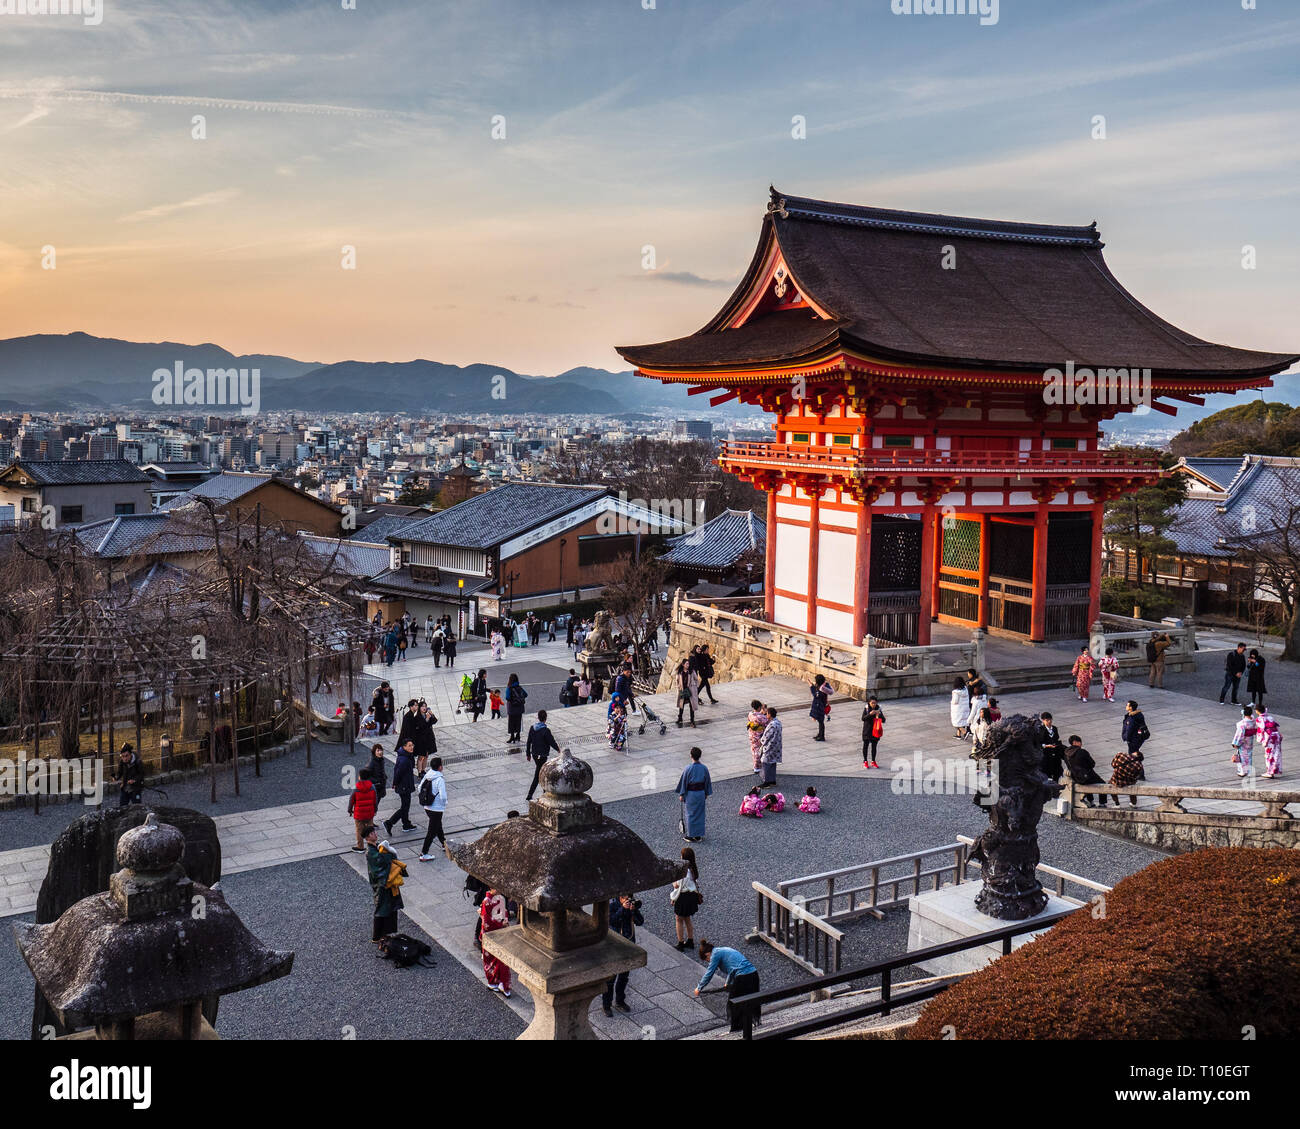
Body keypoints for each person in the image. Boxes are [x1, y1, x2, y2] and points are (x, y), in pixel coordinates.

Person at [694, 940, 760, 1032]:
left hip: (744, 976)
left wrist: (699, 987)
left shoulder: (715, 954)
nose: (708, 962)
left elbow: (710, 972)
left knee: (733, 1003)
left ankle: (737, 1028)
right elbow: (733, 968)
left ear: (708, 954)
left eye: (706, 959)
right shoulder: (722, 950)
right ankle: (751, 1023)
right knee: (748, 1000)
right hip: (753, 974)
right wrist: (728, 983)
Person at [601, 895, 644, 1016]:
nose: (627, 900)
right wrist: (623, 909)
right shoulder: (612, 905)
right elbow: (611, 920)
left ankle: (620, 1001)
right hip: (614, 945)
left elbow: (640, 922)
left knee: (624, 976)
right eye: (625, 898)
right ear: (620, 897)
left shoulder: (632, 904)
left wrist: (633, 910)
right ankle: (606, 1005)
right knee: (611, 979)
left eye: (629, 898)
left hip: (628, 944)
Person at [365, 825, 405, 942]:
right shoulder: (370, 852)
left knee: (389, 907)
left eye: (374, 832)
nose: (375, 834)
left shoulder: (377, 847)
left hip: (386, 882)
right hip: (381, 884)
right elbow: (381, 863)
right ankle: (377, 936)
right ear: (367, 837)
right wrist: (388, 853)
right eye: (372, 833)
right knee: (382, 908)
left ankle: (385, 933)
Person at [479, 889, 513, 997]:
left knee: (502, 960)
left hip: (499, 931)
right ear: (492, 888)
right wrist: (501, 924)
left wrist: (505, 920)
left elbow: (505, 912)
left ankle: (502, 983)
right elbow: (486, 921)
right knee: (493, 959)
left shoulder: (499, 898)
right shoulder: (486, 901)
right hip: (492, 933)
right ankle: (494, 981)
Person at [676, 746, 713, 842]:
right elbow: (707, 782)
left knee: (691, 814)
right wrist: (706, 793)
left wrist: (682, 794)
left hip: (691, 794)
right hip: (700, 793)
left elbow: (684, 782)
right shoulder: (704, 768)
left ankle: (691, 835)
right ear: (700, 756)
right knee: (700, 814)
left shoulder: (688, 768)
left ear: (691, 756)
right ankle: (698, 835)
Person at [383, 740, 419, 836]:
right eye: (409, 745)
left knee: (405, 805)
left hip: (405, 784)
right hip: (404, 786)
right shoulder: (404, 759)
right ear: (404, 747)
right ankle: (390, 822)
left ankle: (406, 824)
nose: (412, 747)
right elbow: (398, 772)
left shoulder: (406, 756)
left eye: (412, 745)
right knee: (405, 807)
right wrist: (395, 783)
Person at [671, 848, 702, 952]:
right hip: (691, 896)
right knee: (687, 918)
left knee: (679, 919)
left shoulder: (683, 872)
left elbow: (676, 886)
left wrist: (672, 881)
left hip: (683, 897)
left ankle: (680, 943)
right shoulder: (693, 870)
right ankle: (690, 940)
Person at [524, 710, 560, 801]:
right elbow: (551, 742)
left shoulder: (533, 728)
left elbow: (529, 742)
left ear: (538, 717)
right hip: (542, 755)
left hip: (535, 754)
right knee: (538, 774)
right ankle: (531, 794)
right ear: (545, 718)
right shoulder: (546, 730)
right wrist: (558, 749)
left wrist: (528, 754)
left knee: (541, 771)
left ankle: (544, 791)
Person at [1064, 735, 1110, 807]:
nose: (1081, 744)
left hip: (1075, 777)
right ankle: (1102, 803)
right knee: (1102, 783)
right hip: (1086, 776)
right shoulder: (1082, 752)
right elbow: (1092, 764)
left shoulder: (1066, 754)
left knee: (1087, 780)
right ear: (1075, 742)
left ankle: (1091, 801)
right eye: (1080, 742)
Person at [417, 756, 448, 861]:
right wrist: (444, 803)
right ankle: (424, 853)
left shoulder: (427, 775)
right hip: (437, 808)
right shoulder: (439, 779)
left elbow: (419, 787)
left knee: (438, 825)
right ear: (440, 767)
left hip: (427, 807)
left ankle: (444, 844)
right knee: (432, 831)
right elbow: (443, 796)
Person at [347, 768, 378, 851]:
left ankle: (360, 847)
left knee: (359, 830)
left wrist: (349, 810)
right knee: (370, 829)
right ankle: (372, 844)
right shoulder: (372, 787)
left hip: (359, 814)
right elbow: (375, 800)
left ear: (359, 777)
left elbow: (351, 800)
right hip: (369, 813)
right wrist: (375, 810)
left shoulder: (356, 788)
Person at [1121, 700, 1150, 776]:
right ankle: (1136, 772)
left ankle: (1140, 774)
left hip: (1134, 740)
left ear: (1131, 707)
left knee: (1133, 756)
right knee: (1133, 755)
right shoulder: (1138, 714)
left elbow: (1129, 730)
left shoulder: (1132, 718)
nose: (1126, 706)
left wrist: (1126, 738)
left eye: (1127, 705)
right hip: (1138, 738)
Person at [114, 743, 144, 807]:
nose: (125, 758)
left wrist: (134, 780)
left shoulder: (138, 762)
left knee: (137, 807)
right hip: (125, 788)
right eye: (122, 756)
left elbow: (142, 775)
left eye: (126, 756)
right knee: (122, 807)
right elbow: (120, 772)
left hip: (136, 789)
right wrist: (116, 777)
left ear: (131, 754)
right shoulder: (122, 761)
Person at [759, 705, 783, 785]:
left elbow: (767, 737)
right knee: (773, 763)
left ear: (770, 714)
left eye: (767, 714)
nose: (766, 715)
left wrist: (761, 741)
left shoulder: (772, 725)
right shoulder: (778, 723)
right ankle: (772, 780)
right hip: (776, 746)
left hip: (770, 746)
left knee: (765, 763)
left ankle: (766, 782)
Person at [1232, 705, 1257, 778]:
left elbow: (1239, 735)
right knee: (1249, 756)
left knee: (1242, 756)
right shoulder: (1253, 721)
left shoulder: (1242, 724)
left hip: (1243, 741)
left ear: (1244, 714)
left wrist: (1236, 743)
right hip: (1250, 740)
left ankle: (1243, 771)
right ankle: (1249, 771)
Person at [1257, 705, 1282, 779]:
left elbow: (1261, 730)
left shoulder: (1260, 719)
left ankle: (1269, 772)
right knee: (1276, 754)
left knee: (1269, 755)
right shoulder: (1270, 717)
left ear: (1257, 711)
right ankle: (1274, 770)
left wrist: (1261, 740)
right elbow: (1275, 727)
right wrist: (1279, 734)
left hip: (1269, 737)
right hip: (1276, 736)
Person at [1037, 712, 1064, 781]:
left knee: (1056, 772)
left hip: (1055, 755)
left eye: (1050, 719)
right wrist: (1046, 746)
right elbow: (1038, 743)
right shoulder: (1040, 730)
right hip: (1046, 755)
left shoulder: (1054, 728)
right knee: (1047, 773)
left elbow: (1056, 738)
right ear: (1043, 721)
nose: (1049, 721)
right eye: (1047, 720)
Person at [862, 698, 885, 768]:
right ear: (869, 703)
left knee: (874, 747)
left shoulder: (879, 709)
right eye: (872, 703)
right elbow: (863, 718)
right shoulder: (866, 709)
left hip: (875, 731)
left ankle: (873, 761)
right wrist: (869, 714)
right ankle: (865, 761)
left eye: (875, 703)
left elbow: (884, 720)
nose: (874, 704)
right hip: (867, 731)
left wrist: (879, 715)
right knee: (865, 746)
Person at [746, 699, 768, 773]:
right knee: (758, 751)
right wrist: (765, 712)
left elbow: (749, 720)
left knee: (754, 749)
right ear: (759, 707)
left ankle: (756, 765)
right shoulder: (761, 717)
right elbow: (766, 723)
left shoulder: (750, 714)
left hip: (752, 734)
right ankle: (757, 766)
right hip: (759, 736)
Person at [505, 673, 528, 744]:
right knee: (518, 722)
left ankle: (512, 737)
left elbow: (507, 697)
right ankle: (518, 735)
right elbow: (526, 694)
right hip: (520, 708)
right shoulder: (519, 687)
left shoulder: (509, 688)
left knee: (511, 722)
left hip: (512, 708)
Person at [675, 658, 696, 728]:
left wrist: (694, 686)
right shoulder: (680, 672)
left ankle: (692, 721)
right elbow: (677, 680)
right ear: (683, 664)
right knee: (682, 705)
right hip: (683, 690)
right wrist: (678, 687)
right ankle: (680, 717)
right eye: (686, 664)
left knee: (691, 705)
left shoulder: (691, 671)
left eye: (688, 664)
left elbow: (696, 679)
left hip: (690, 690)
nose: (688, 665)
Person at [809, 674, 831, 741]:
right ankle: (820, 734)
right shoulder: (823, 686)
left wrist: (811, 687)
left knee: (821, 722)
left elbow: (816, 695)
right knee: (820, 721)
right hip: (820, 706)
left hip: (820, 707)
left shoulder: (822, 689)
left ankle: (822, 736)